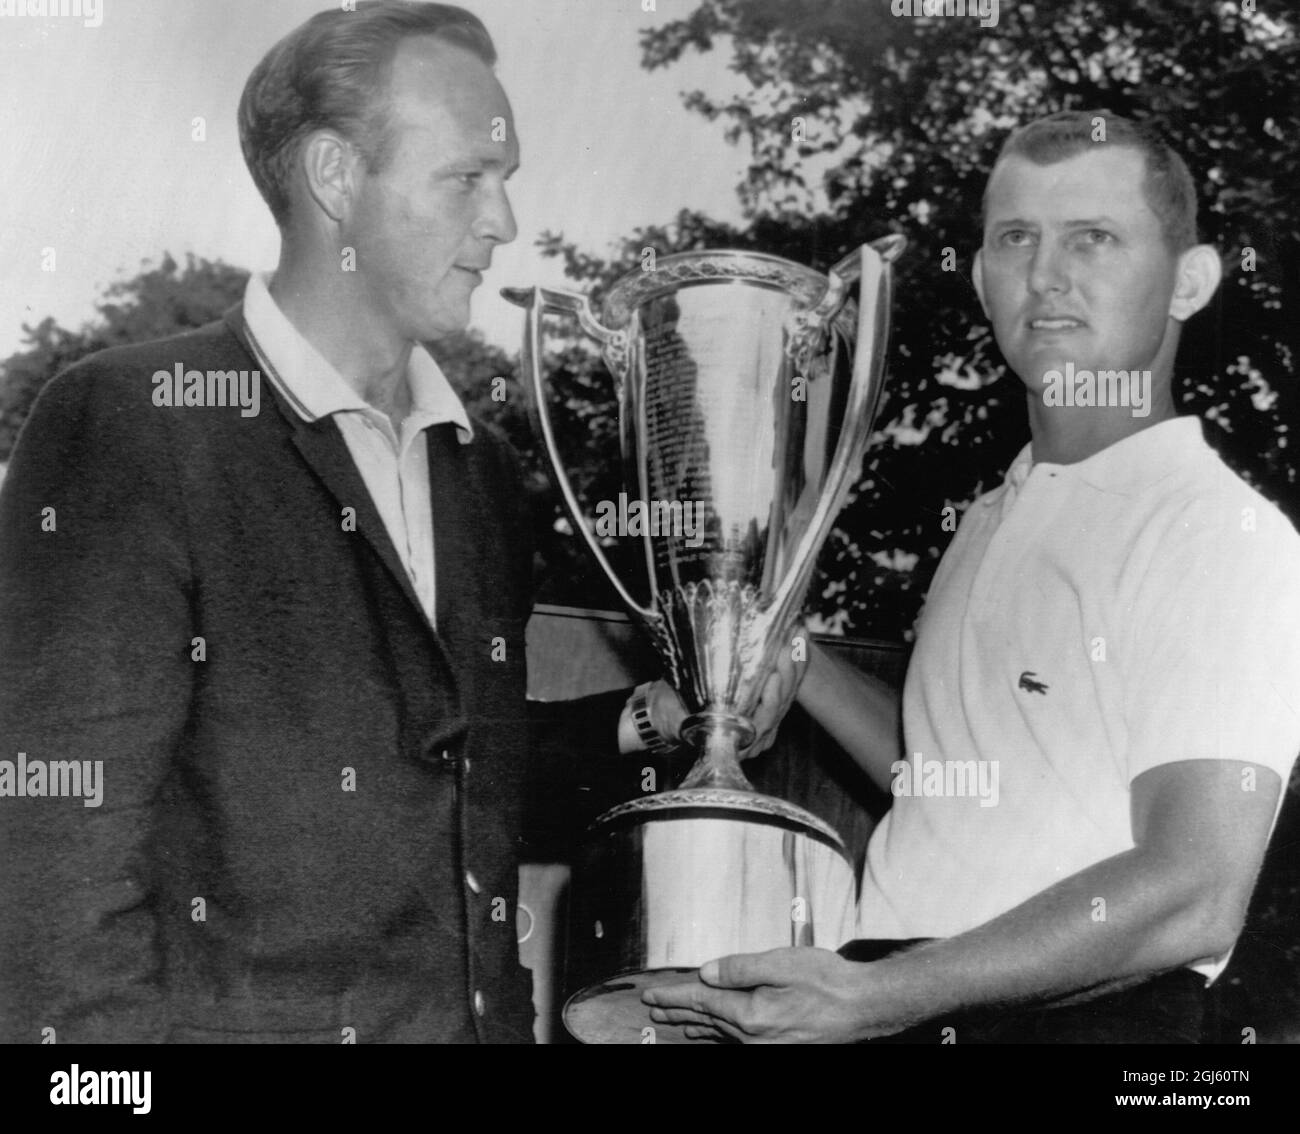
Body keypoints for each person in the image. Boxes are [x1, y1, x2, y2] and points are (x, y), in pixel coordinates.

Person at [0, 0, 666, 1045]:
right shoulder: (133, 423)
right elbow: (50, 870)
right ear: (334, 179)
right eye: (466, 178)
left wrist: (664, 719)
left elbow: (452, 782)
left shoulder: (480, 469)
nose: (504, 224)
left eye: (507, 180)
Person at [642, 110, 1300, 1043]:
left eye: (1095, 238)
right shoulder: (992, 517)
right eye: (1015, 237)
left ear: (1189, 281)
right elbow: (945, 781)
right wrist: (797, 655)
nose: (1046, 274)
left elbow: (1194, 891)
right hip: (905, 999)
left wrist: (884, 994)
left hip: (1083, 1022)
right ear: (984, 275)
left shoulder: (1219, 532)